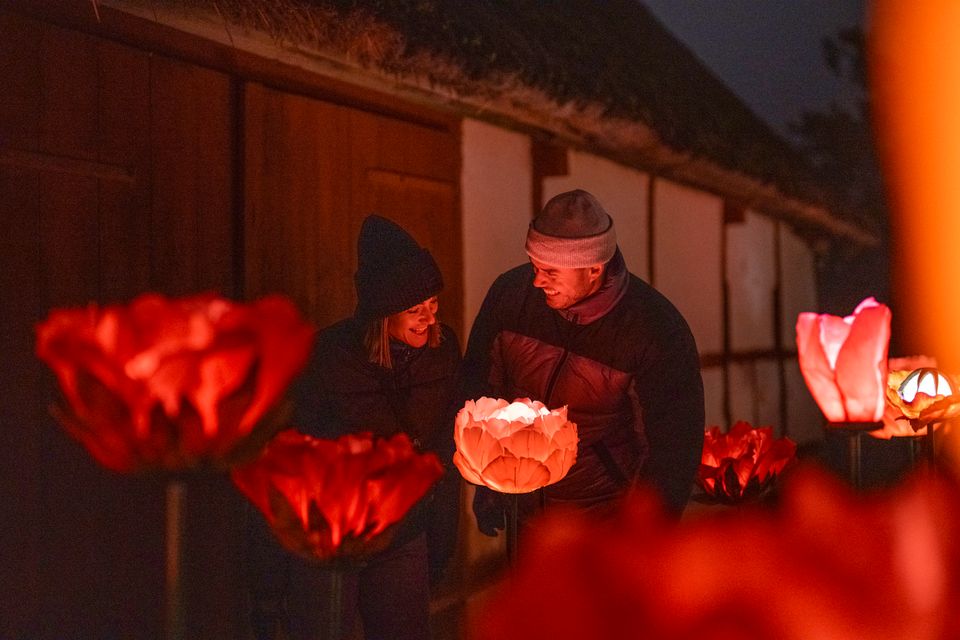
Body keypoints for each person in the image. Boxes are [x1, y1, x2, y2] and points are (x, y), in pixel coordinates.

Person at [246, 214, 461, 640]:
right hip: (333, 535)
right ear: (382, 313)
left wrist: (438, 536)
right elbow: (289, 456)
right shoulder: (328, 357)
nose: (429, 319)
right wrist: (268, 579)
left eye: (433, 304)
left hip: (404, 532)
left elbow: (443, 449)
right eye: (414, 309)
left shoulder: (443, 350)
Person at [461, 189, 704, 533]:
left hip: (604, 525)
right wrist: (487, 483)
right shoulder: (511, 297)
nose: (537, 280)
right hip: (525, 514)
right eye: (534, 265)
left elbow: (672, 449)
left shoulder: (654, 329)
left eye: (551, 271)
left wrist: (646, 534)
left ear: (593, 267)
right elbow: (480, 386)